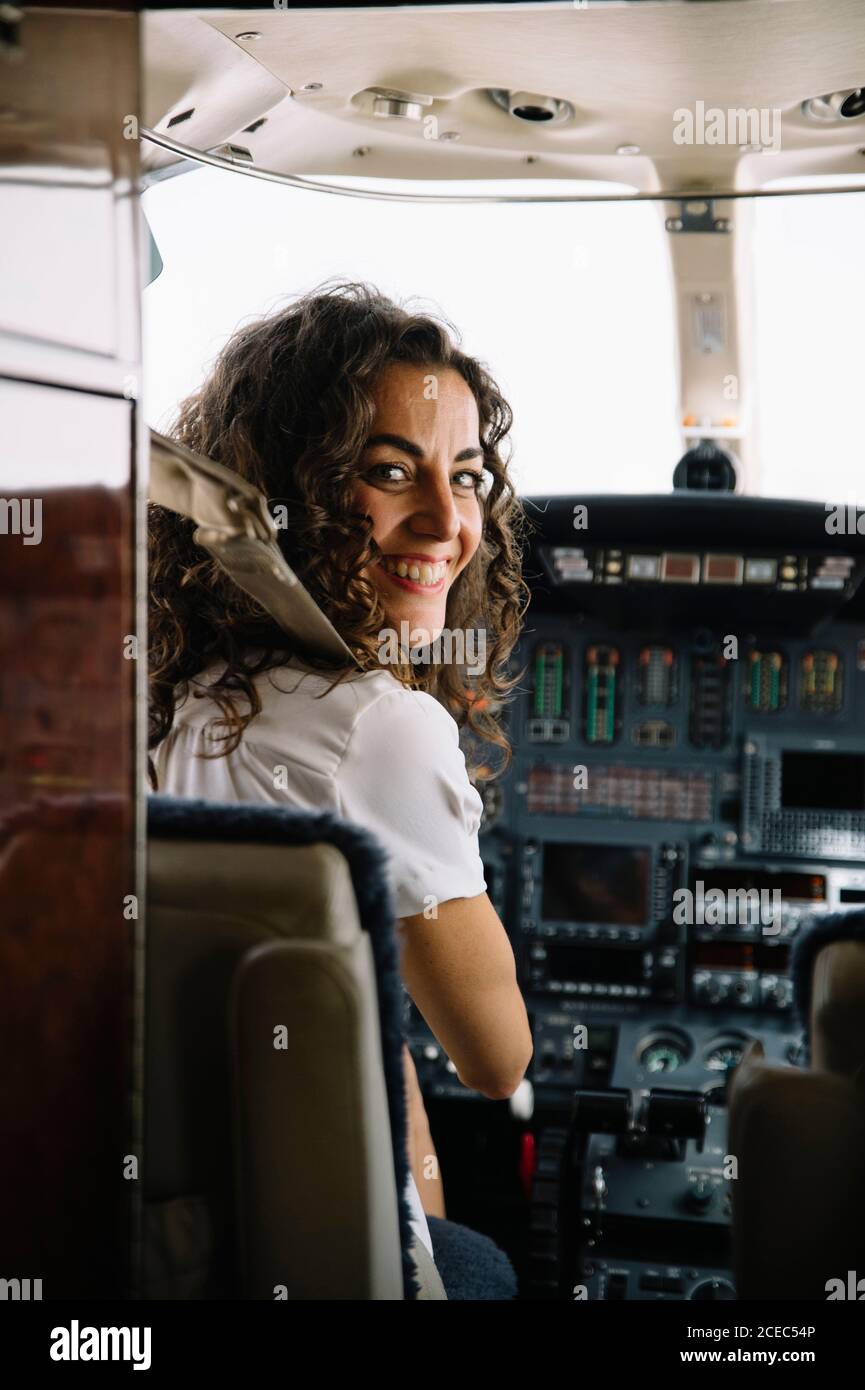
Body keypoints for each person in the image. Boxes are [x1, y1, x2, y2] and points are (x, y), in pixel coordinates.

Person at [148, 280, 533, 1261]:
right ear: (296, 491)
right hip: (325, 1242)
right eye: (393, 473)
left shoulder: (180, 686)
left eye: (467, 476)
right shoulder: (382, 731)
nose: (447, 520)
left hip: (197, 1237)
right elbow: (498, 1059)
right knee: (485, 1264)